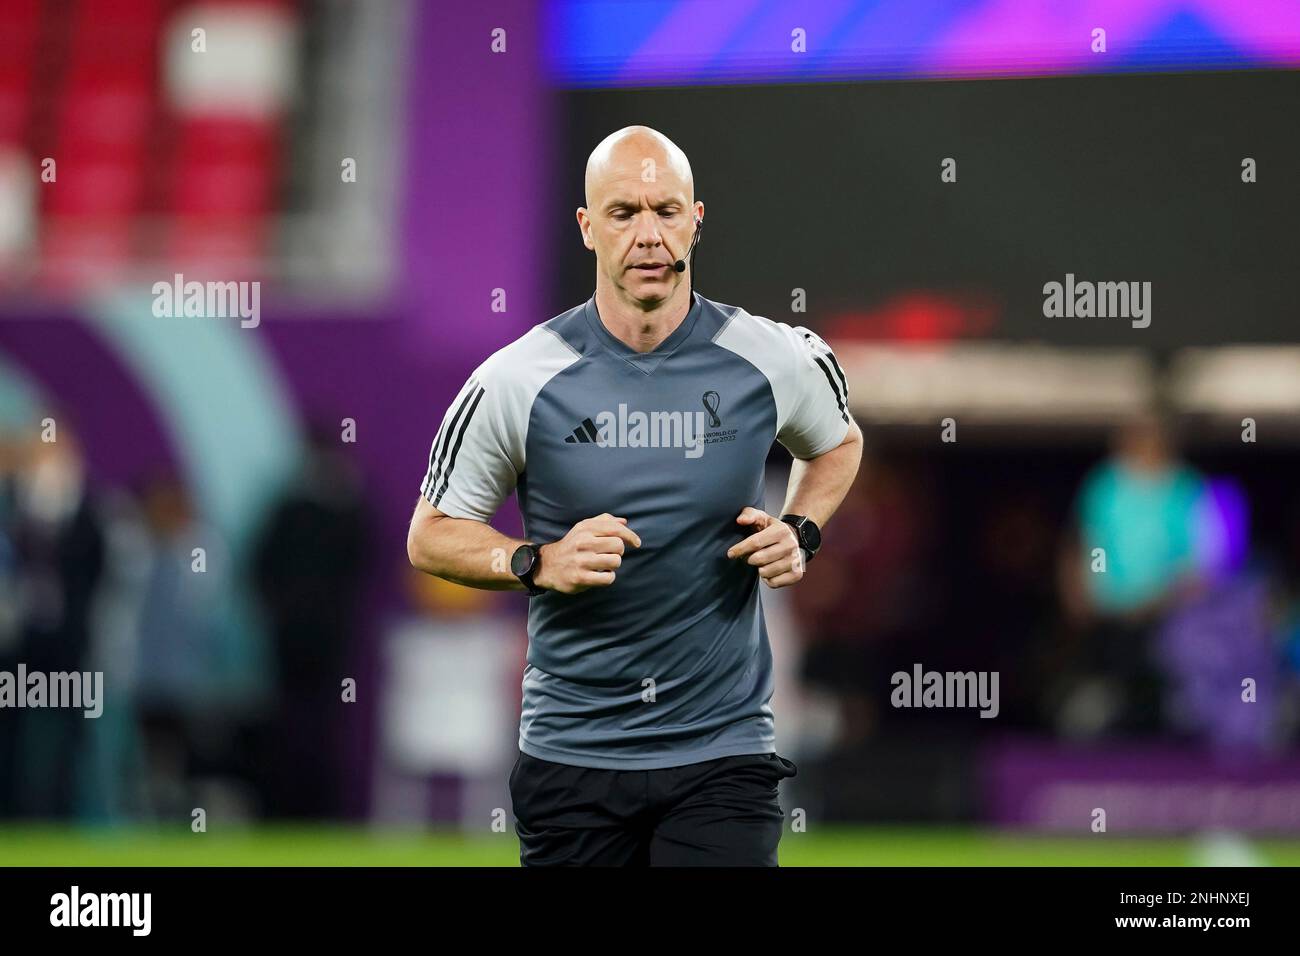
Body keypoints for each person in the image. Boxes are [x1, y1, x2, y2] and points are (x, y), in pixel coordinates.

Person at [407, 126, 863, 865]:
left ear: (696, 220)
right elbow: (430, 533)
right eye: (623, 213)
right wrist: (535, 561)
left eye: (665, 210)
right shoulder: (516, 379)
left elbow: (840, 442)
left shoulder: (770, 357)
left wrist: (801, 528)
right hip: (573, 755)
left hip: (724, 750)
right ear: (587, 227)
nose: (648, 234)